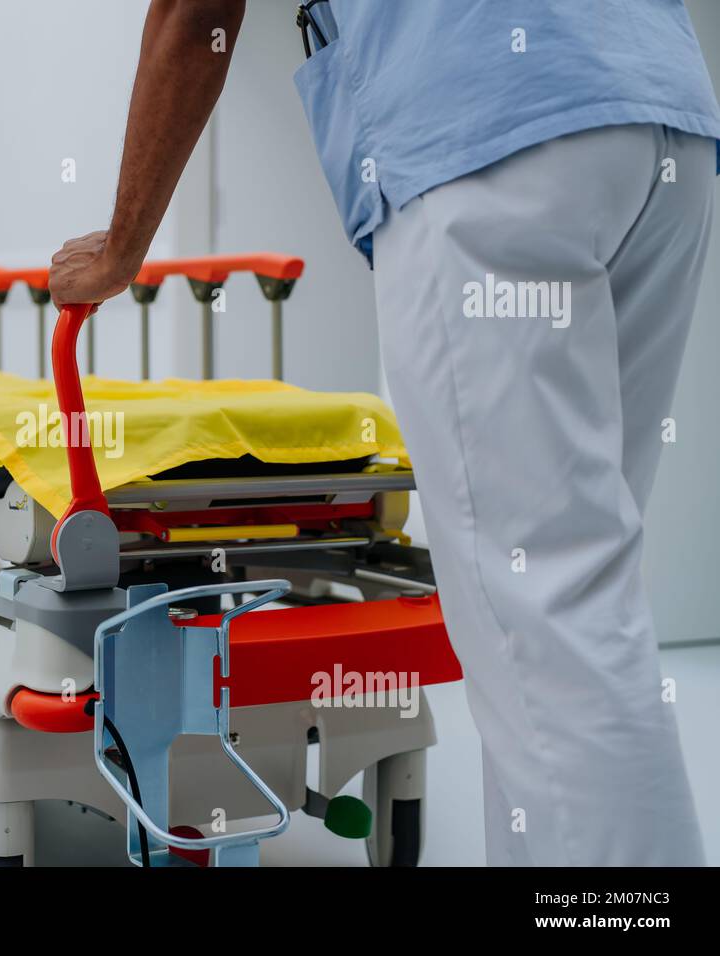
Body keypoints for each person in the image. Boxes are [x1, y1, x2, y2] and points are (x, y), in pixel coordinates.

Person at [48, 0, 720, 866]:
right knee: (576, 611)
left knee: (549, 620)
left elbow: (197, 9)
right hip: (662, 120)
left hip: (490, 136)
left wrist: (122, 246)